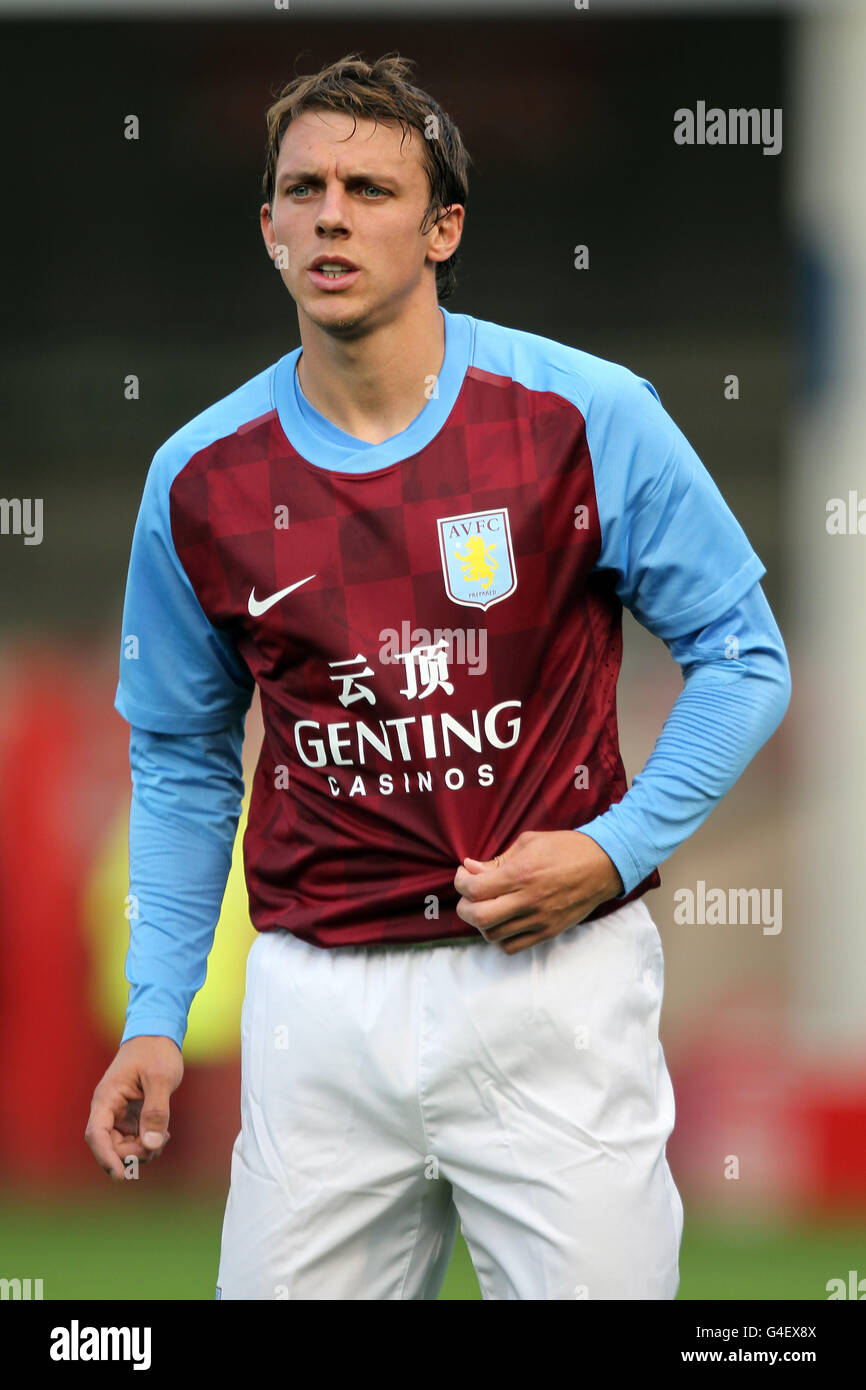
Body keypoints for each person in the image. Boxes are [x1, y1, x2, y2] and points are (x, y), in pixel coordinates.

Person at [85, 51, 791, 1300]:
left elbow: (743, 658)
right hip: (315, 1006)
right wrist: (155, 1009)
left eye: (368, 187)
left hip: (552, 987)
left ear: (443, 225)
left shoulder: (584, 415)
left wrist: (614, 850)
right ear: (268, 227)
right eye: (301, 189)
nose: (331, 214)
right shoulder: (198, 479)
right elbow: (182, 755)